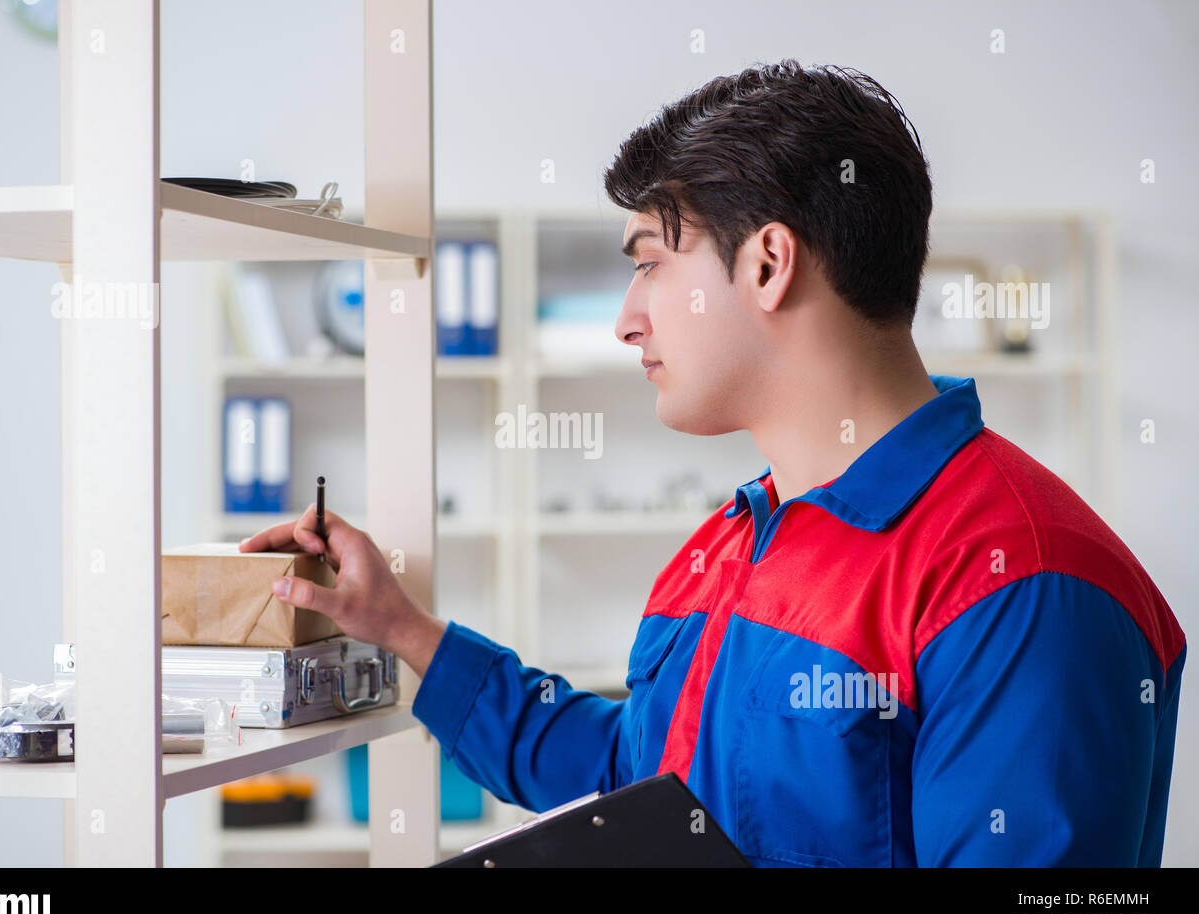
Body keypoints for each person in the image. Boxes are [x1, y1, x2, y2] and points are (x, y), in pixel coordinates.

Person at [242, 60, 1186, 866]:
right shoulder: (728, 549)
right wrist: (402, 628)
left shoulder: (1022, 581)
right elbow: (632, 778)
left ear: (769, 264)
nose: (626, 318)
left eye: (651, 260)